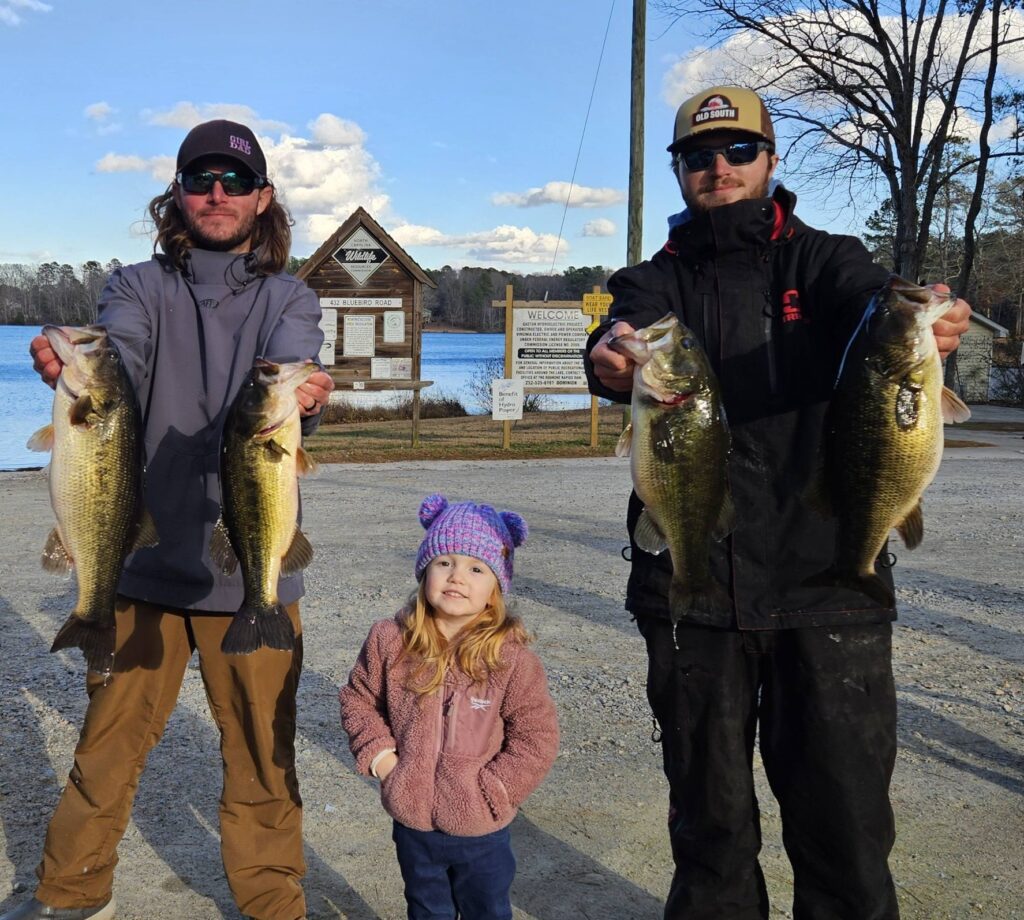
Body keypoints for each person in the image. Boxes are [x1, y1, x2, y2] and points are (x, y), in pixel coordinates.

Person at [584, 86, 972, 920]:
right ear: (679, 171)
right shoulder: (653, 280)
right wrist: (609, 359)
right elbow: (621, 333)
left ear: (770, 159)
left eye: (736, 152)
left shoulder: (826, 261)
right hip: (694, 594)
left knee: (846, 827)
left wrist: (921, 325)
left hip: (829, 580)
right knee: (711, 830)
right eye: (697, 157)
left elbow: (874, 298)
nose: (717, 169)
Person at [9, 119, 335, 920]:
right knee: (106, 747)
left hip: (251, 566)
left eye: (234, 180)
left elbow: (291, 382)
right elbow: (123, 352)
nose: (216, 194)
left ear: (263, 198)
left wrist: (308, 401)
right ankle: (70, 895)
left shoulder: (290, 298)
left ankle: (271, 905)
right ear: (176, 197)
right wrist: (70, 360)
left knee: (263, 755)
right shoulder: (133, 285)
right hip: (140, 567)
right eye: (200, 180)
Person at [339, 494, 559, 920]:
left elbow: (537, 738)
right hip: (413, 821)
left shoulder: (512, 660)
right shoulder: (390, 640)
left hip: (482, 830)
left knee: (487, 910)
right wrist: (384, 760)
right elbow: (358, 700)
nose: (458, 577)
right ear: (424, 571)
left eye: (476, 569)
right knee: (426, 908)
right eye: (445, 563)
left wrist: (495, 789)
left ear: (496, 590)